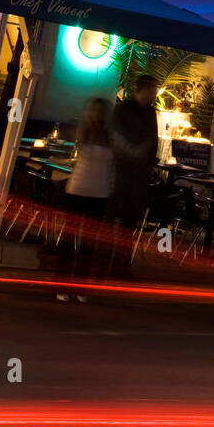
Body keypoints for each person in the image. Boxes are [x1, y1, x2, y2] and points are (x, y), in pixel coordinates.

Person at [55, 97, 112, 302]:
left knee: (88, 243)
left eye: (101, 112)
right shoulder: (84, 132)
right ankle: (63, 286)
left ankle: (79, 287)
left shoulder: (110, 135)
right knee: (70, 241)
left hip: (98, 192)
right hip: (79, 188)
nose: (98, 115)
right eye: (96, 111)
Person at [103, 74, 159, 278]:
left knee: (128, 223)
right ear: (144, 89)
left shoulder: (148, 112)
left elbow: (153, 140)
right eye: (153, 89)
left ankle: (121, 265)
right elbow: (121, 140)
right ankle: (108, 263)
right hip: (121, 174)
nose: (154, 93)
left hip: (137, 177)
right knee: (114, 221)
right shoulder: (125, 111)